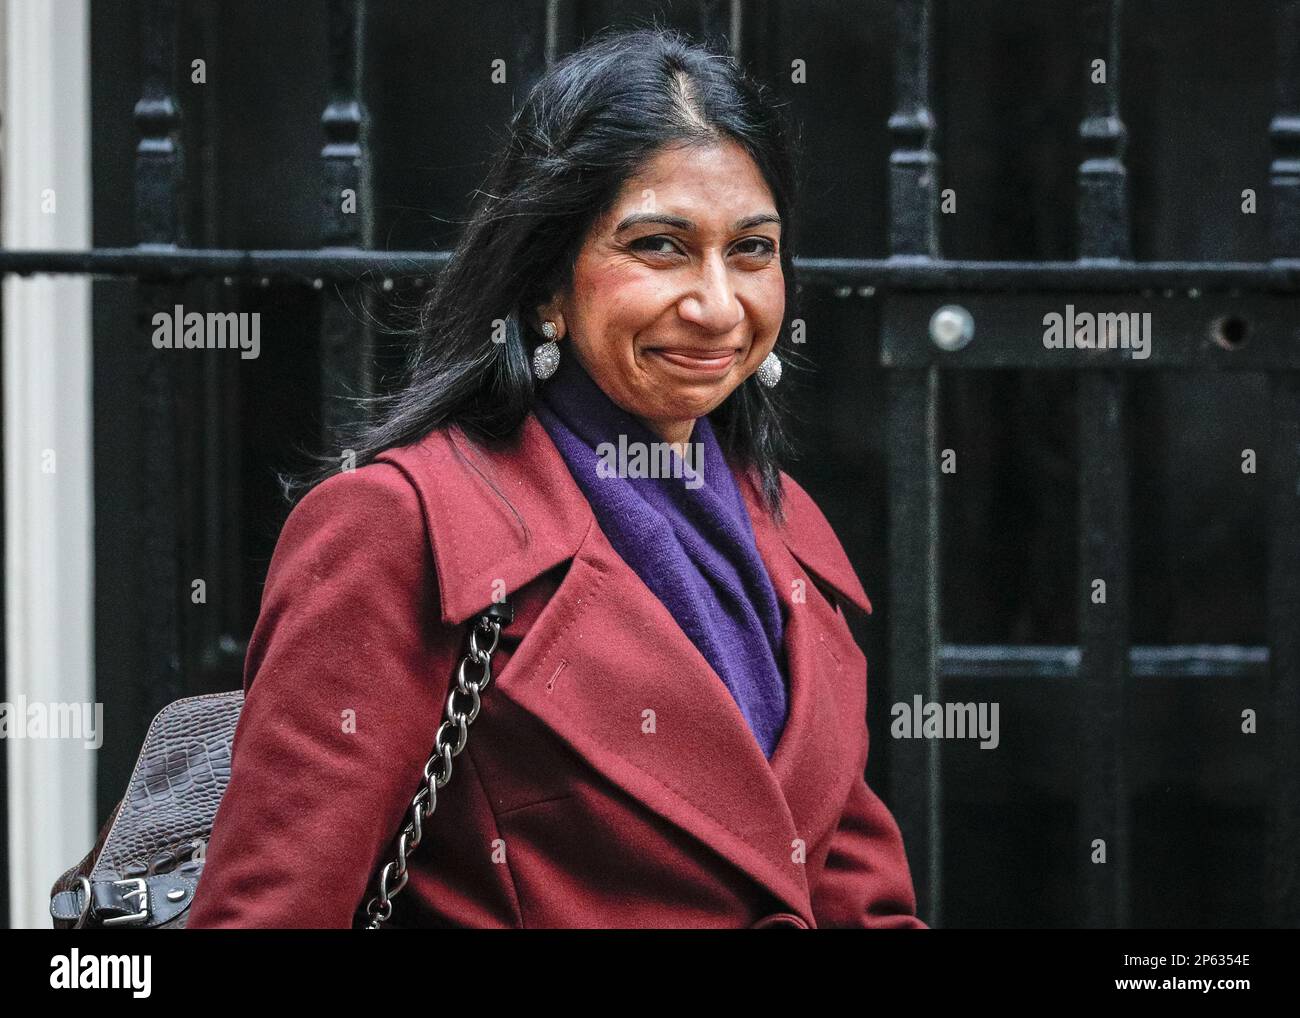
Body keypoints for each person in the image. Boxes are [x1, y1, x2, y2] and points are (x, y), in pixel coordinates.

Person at [185, 25, 925, 930]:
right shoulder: (402, 531)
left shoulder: (786, 527)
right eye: (659, 246)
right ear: (545, 284)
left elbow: (855, 896)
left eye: (752, 250)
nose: (718, 304)